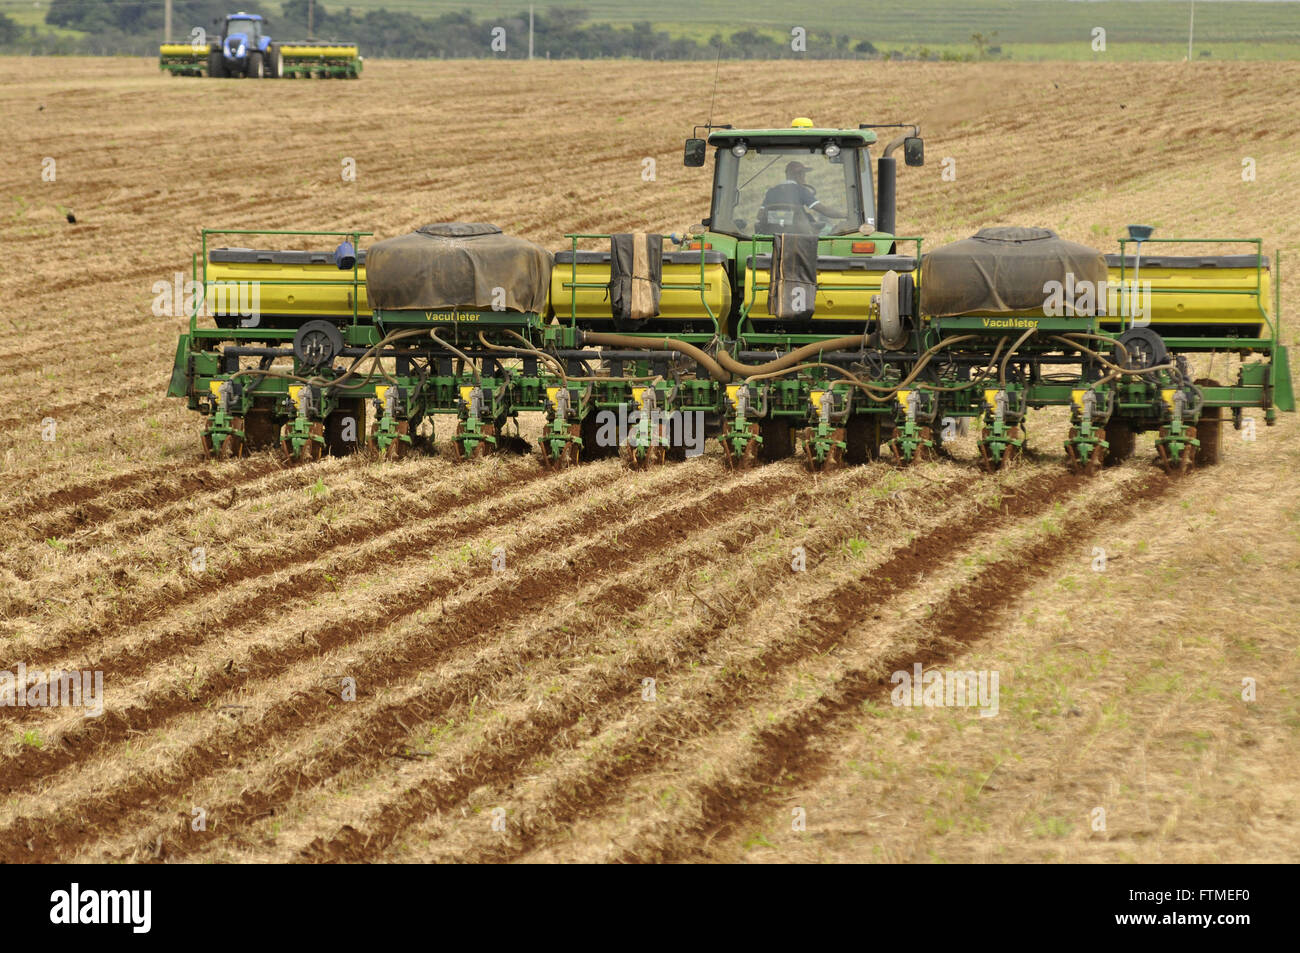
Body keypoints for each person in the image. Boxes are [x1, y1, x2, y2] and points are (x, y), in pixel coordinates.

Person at [760, 161, 845, 232]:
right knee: (829, 229)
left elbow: (760, 215)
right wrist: (845, 215)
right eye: (804, 174)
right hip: (801, 234)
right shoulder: (800, 190)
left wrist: (780, 219)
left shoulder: (771, 192)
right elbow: (825, 211)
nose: (804, 177)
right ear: (799, 175)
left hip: (774, 233)